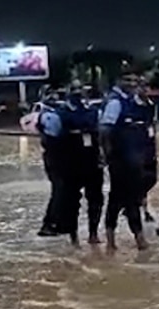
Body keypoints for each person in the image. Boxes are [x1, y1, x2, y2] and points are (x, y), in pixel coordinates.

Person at [99, 67, 152, 251]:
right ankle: (121, 240)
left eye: (134, 81)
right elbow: (105, 130)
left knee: (127, 198)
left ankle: (129, 239)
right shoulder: (115, 103)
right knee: (122, 199)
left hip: (134, 160)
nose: (132, 84)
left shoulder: (133, 102)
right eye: (127, 80)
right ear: (118, 81)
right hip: (120, 161)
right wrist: (107, 155)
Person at [53, 83, 106, 245]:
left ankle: (93, 233)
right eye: (74, 91)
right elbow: (53, 138)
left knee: (96, 198)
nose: (78, 94)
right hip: (70, 161)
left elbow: (100, 134)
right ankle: (74, 236)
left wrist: (102, 155)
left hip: (92, 159)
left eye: (80, 91)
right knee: (70, 200)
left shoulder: (93, 111)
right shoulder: (59, 114)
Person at [35, 90, 66, 238]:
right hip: (55, 158)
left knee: (62, 191)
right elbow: (53, 135)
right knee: (59, 190)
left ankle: (58, 223)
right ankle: (50, 224)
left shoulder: (50, 115)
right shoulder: (50, 116)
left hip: (56, 157)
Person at [136, 76, 159, 224]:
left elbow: (154, 126)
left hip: (149, 146)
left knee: (151, 178)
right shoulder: (132, 105)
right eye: (142, 87)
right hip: (135, 147)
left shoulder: (151, 106)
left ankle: (137, 201)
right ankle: (142, 209)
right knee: (139, 178)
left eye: (147, 87)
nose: (145, 90)